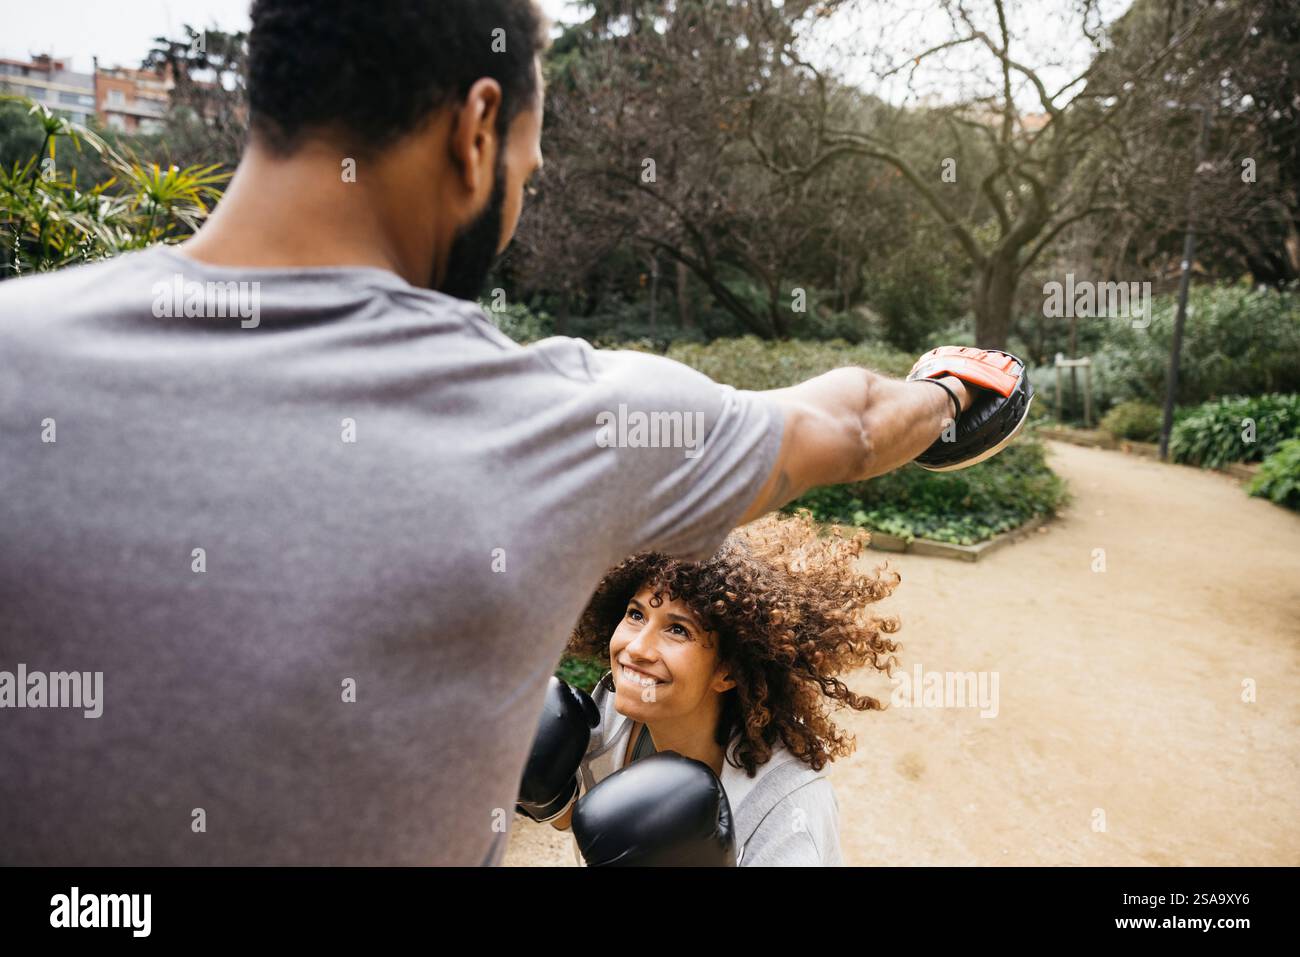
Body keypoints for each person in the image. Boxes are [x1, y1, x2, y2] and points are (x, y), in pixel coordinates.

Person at [0, 0, 1028, 865]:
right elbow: (846, 423)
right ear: (478, 126)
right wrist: (953, 395)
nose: (521, 194)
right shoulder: (570, 424)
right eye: (530, 169)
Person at [526, 510, 902, 866]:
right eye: (636, 614)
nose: (637, 649)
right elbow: (608, 838)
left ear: (728, 670)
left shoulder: (789, 803)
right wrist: (555, 801)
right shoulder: (617, 705)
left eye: (677, 630)